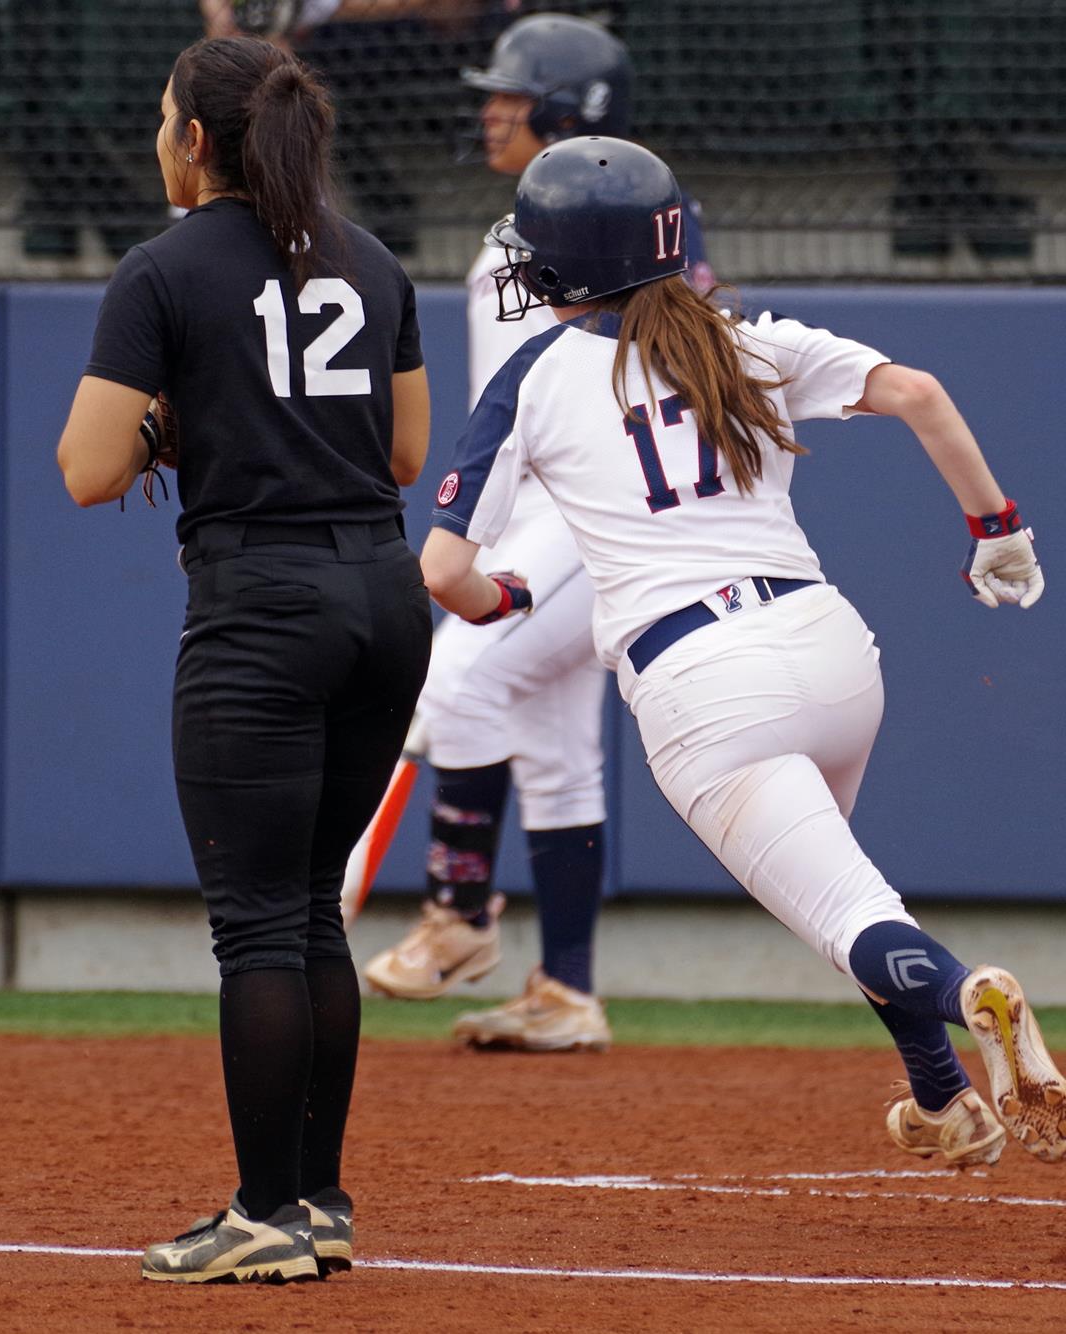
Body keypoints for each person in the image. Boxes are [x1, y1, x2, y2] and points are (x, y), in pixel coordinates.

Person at [419, 135, 1066, 1168]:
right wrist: (995, 528)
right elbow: (920, 395)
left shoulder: (534, 375)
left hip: (702, 686)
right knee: (852, 893)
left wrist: (503, 595)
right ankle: (941, 1095)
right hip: (829, 650)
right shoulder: (744, 340)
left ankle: (966, 993)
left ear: (559, 266)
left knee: (851, 917)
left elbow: (441, 572)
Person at [56, 34, 432, 1283]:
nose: (154, 139)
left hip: (262, 603)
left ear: (197, 140)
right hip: (381, 592)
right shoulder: (372, 258)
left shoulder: (160, 269)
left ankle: (261, 1212)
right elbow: (400, 455)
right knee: (309, 907)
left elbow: (87, 469)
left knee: (256, 925)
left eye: (163, 120)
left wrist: (175, 419)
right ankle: (315, 1201)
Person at [362, 13, 703, 1054]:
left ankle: (458, 916)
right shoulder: (646, 221)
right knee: (554, 748)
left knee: (459, 679)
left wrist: (480, 532)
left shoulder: (591, 232)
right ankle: (566, 988)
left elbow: (537, 405)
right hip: (579, 507)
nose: (489, 111)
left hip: (585, 511)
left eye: (509, 97)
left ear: (569, 114)